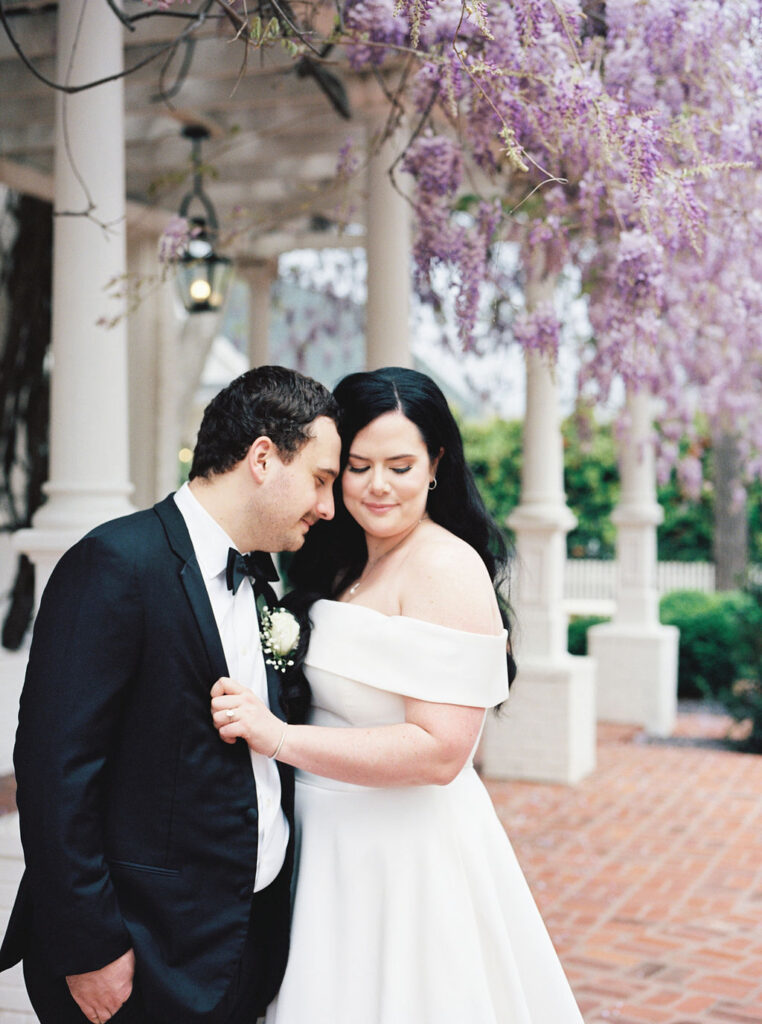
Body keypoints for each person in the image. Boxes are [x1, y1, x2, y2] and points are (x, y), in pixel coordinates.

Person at [210, 366, 585, 1024]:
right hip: (327, 845)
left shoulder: (445, 566)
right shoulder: (341, 560)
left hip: (406, 853)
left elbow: (442, 752)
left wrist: (280, 738)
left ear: (436, 464)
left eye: (401, 465)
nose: (378, 486)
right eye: (356, 466)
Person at [0, 366, 341, 1024]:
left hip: (245, 942)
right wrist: (89, 948)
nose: (328, 507)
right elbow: (54, 772)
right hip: (142, 955)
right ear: (263, 459)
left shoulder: (263, 583)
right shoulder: (115, 564)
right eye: (321, 480)